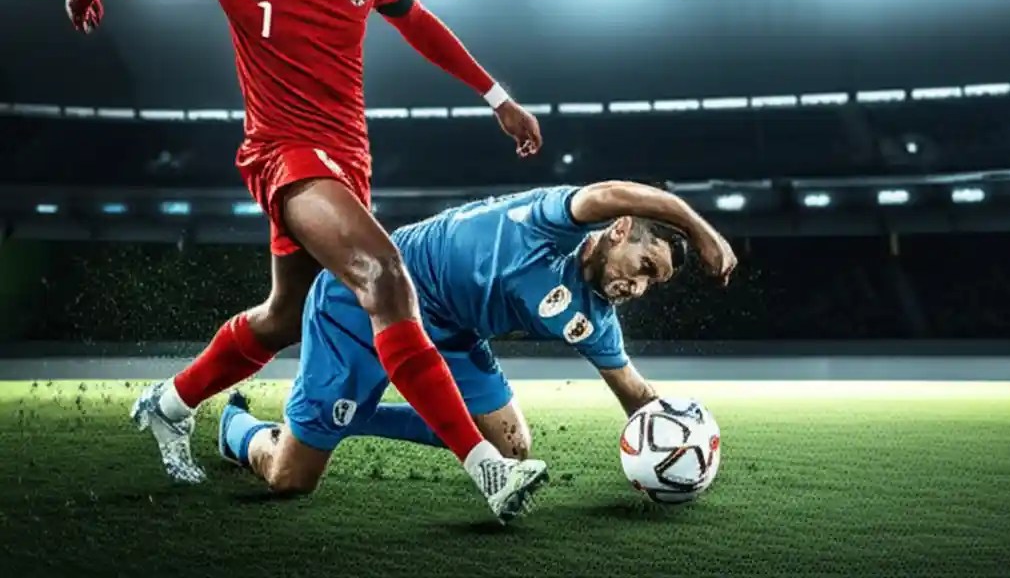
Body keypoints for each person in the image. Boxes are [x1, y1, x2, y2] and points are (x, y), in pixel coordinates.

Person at [63, 0, 549, 521]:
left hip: (346, 163)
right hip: (282, 154)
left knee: (285, 314)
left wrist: (497, 97)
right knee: (384, 276)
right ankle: (486, 468)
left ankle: (169, 404)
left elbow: (417, 21)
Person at [214, 181, 736, 508]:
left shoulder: (594, 316)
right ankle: (239, 431)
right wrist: (696, 224)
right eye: (645, 267)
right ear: (620, 230)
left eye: (653, 284)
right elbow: (612, 192)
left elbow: (636, 398)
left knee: (512, 449)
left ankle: (351, 419)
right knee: (289, 480)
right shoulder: (555, 223)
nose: (638, 288)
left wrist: (691, 446)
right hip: (370, 296)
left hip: (453, 335)